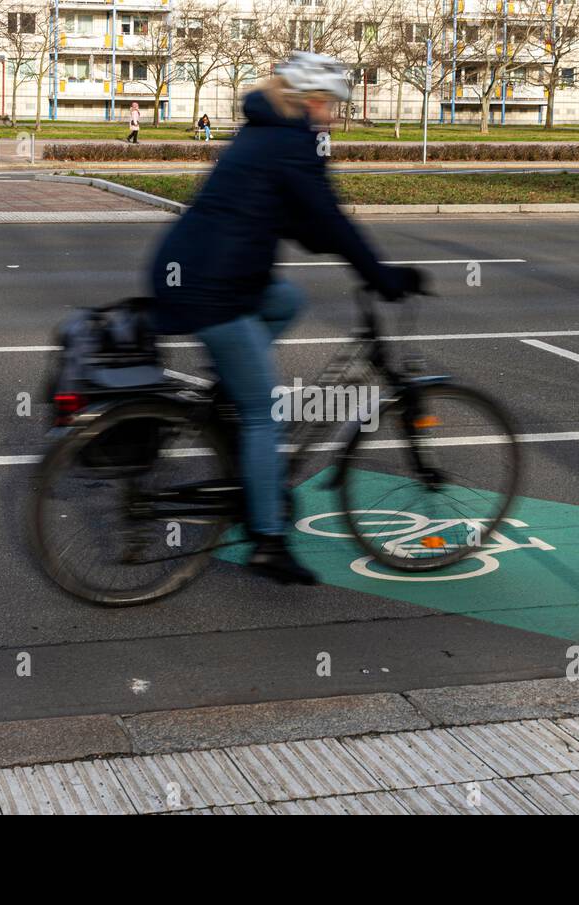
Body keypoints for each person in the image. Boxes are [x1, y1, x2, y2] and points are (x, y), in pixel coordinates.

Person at [147, 52, 424, 586]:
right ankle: (267, 541)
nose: (332, 116)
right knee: (262, 413)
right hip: (213, 288)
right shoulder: (291, 139)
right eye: (331, 105)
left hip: (203, 272)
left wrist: (347, 252)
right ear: (311, 100)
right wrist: (381, 275)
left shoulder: (266, 130)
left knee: (287, 301)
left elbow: (307, 222)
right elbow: (329, 217)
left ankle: (225, 395)